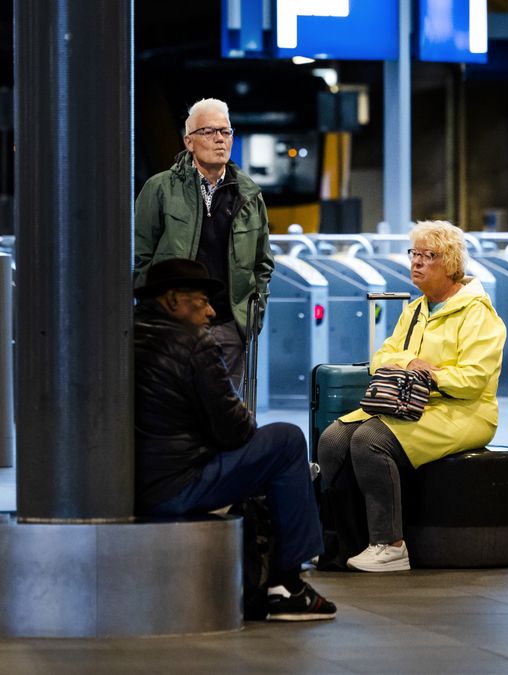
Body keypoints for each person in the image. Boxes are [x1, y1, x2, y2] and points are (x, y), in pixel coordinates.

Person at [134, 258, 335, 621]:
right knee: (287, 441)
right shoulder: (194, 343)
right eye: (203, 300)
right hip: (178, 486)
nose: (212, 312)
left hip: (136, 485)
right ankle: (287, 582)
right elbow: (235, 430)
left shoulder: (133, 334)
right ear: (173, 299)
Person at [318, 220, 506, 573]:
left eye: (428, 256)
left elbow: (474, 380)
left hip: (463, 412)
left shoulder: (479, 314)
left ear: (450, 263)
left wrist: (429, 375)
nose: (416, 262)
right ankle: (342, 542)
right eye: (414, 254)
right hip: (408, 403)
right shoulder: (415, 309)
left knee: (370, 440)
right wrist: (411, 362)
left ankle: (390, 545)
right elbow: (382, 357)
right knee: (333, 439)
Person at [133, 98, 274, 391]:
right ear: (189, 141)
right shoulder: (159, 189)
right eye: (209, 132)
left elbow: (263, 263)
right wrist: (155, 314)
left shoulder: (248, 194)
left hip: (228, 328)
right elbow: (139, 257)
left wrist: (250, 319)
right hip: (174, 329)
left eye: (225, 131)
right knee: (173, 410)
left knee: (224, 420)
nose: (220, 139)